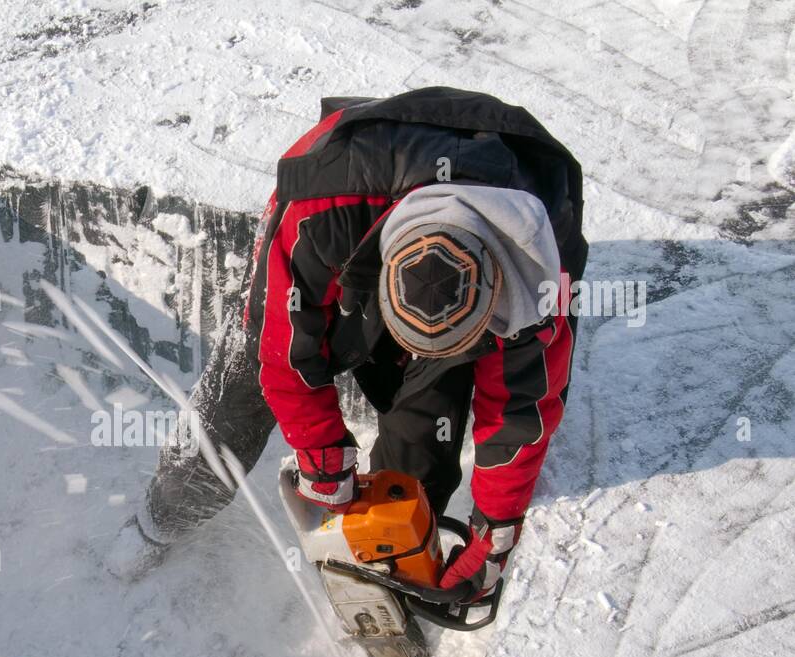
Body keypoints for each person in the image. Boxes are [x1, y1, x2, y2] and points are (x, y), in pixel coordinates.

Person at [107, 87, 588, 598]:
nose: (416, 356)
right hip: (360, 194)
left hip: (482, 203)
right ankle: (158, 520)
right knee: (240, 394)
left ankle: (390, 586)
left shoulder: (538, 278)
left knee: (415, 471)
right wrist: (322, 457)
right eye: (410, 342)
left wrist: (495, 532)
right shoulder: (319, 214)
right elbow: (283, 358)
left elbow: (521, 414)